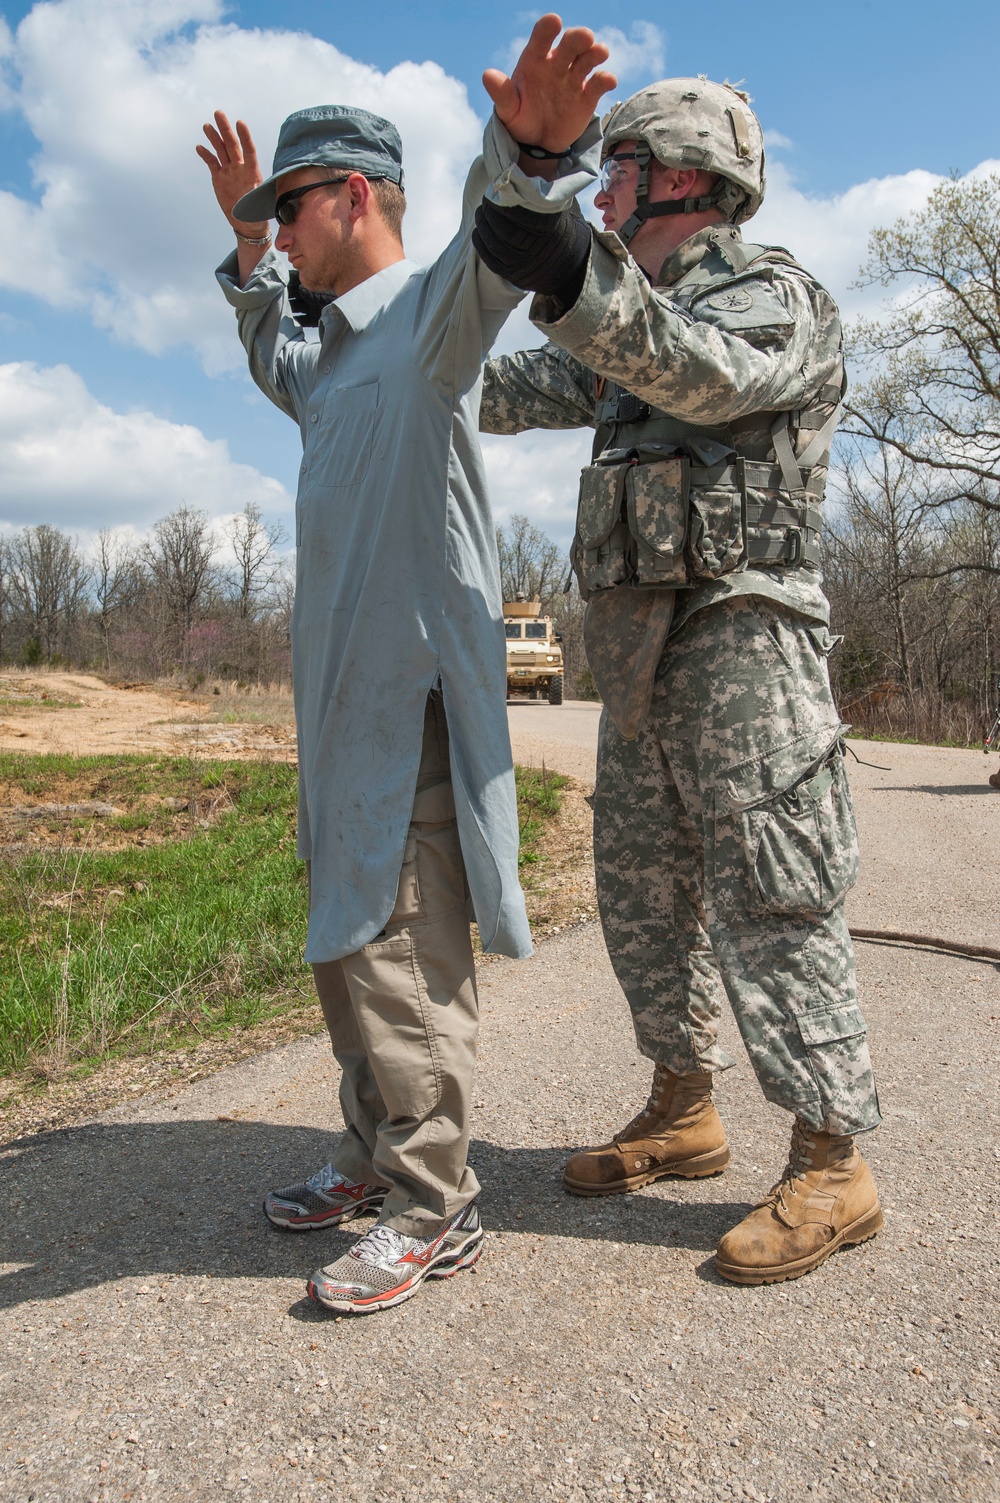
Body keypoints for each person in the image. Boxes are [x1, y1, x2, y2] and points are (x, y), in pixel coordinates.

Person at [197, 18, 614, 1314]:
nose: (286, 224)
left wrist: (535, 152)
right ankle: (371, 1158)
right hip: (334, 715)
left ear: (355, 199)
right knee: (343, 940)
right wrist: (250, 249)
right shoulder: (326, 363)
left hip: (411, 712)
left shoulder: (428, 321)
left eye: (293, 204)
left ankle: (440, 1202)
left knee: (396, 950)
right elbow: (274, 351)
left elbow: (500, 244)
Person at [474, 71, 883, 1284]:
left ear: (681, 177)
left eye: (614, 171)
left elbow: (709, 376)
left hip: (746, 640)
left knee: (772, 887)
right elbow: (488, 391)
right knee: (643, 892)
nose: (599, 192)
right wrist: (361, 336)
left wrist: (565, 271)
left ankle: (831, 1161)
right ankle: (683, 1109)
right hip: (640, 652)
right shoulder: (619, 316)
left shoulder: (768, 298)